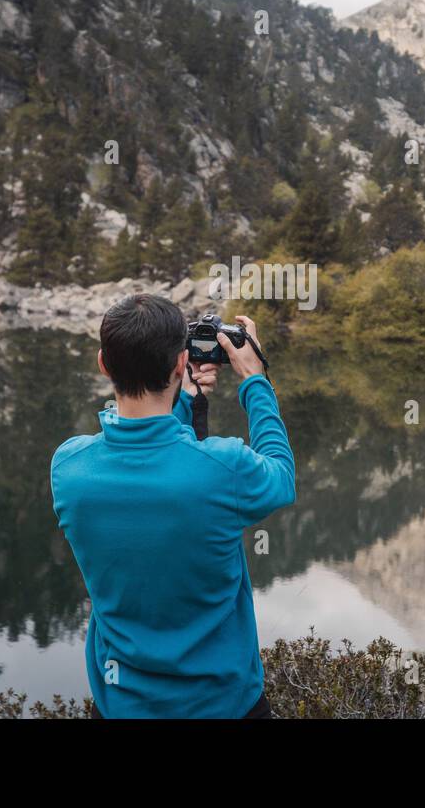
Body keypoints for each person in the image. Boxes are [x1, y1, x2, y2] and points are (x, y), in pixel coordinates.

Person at [50, 293, 295, 718]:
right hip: (224, 706)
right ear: (181, 363)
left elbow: (151, 464)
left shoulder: (69, 468)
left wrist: (184, 400)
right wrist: (255, 380)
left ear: (103, 364)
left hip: (119, 705)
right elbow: (280, 475)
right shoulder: (225, 468)